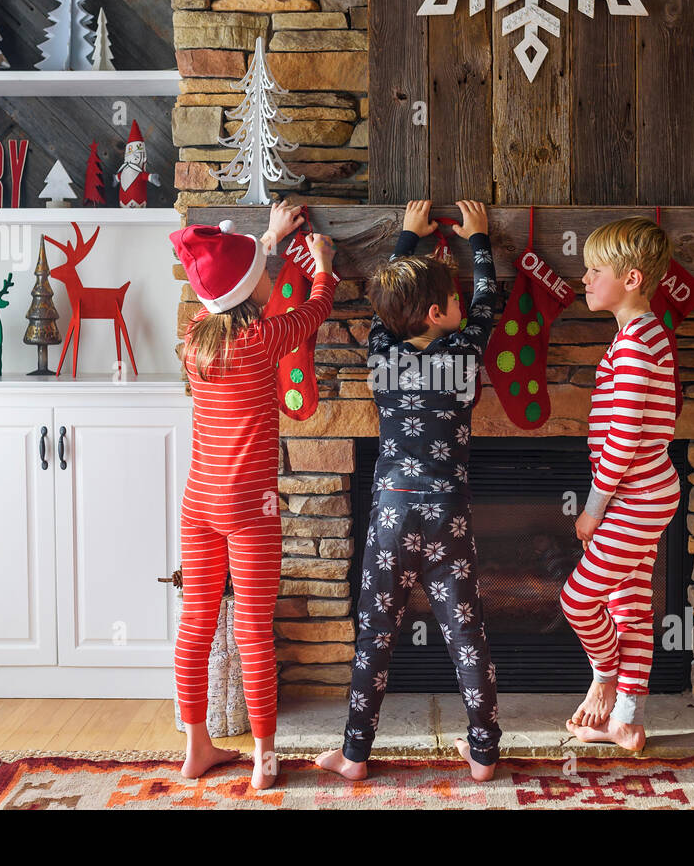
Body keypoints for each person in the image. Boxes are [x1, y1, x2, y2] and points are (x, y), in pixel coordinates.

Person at [316, 200, 502, 782]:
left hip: (393, 511)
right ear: (439, 313)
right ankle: (484, 755)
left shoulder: (382, 350)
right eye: (455, 300)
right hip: (448, 512)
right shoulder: (464, 350)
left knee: (376, 633)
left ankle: (354, 754)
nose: (464, 304)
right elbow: (489, 302)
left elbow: (385, 310)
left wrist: (405, 238)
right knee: (466, 631)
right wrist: (478, 242)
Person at [170, 202, 336, 788]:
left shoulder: (196, 339)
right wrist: (322, 265)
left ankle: (197, 749)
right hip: (250, 511)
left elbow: (226, 287)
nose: (271, 278)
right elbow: (316, 309)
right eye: (264, 273)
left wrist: (266, 239)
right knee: (252, 629)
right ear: (252, 290)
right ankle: (265, 763)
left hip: (199, 504)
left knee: (195, 622)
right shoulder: (267, 337)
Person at [560, 217, 681, 753]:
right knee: (629, 605)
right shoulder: (645, 334)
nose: (584, 279)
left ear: (631, 278)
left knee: (579, 599)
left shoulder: (634, 346)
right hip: (647, 494)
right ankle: (626, 720)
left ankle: (606, 677)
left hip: (635, 496)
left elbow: (625, 439)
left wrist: (592, 509)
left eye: (595, 270)